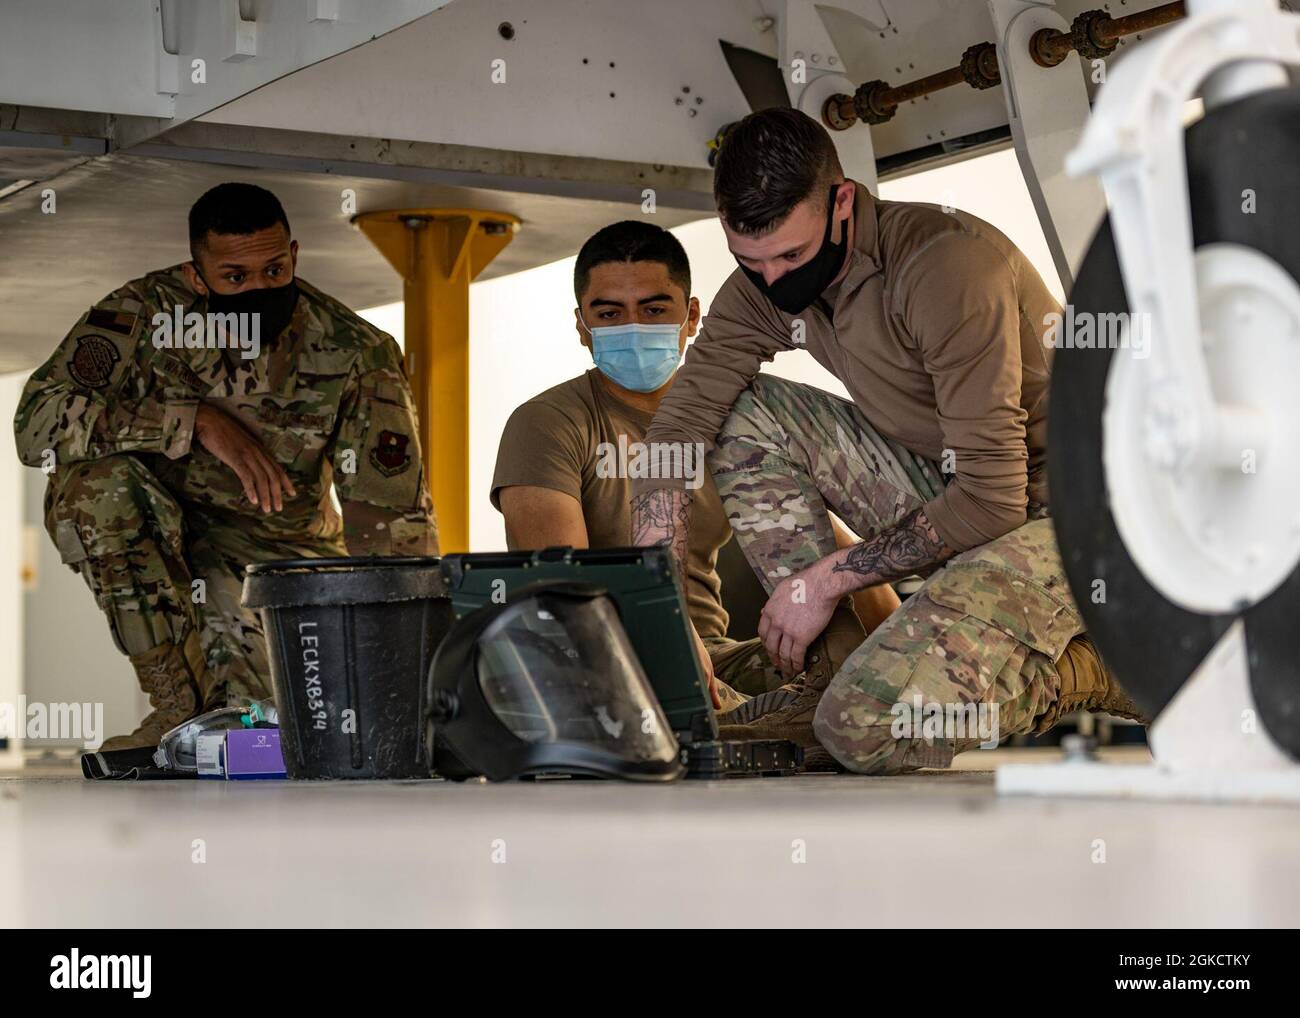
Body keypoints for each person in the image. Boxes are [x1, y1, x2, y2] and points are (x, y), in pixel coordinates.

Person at [629, 108, 1145, 774]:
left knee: (862, 728)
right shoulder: (766, 283)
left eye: (792, 255)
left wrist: (824, 582)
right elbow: (677, 433)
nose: (776, 280)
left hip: (1090, 522)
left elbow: (991, 502)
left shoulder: (946, 266)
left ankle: (1094, 669)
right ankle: (823, 673)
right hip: (969, 498)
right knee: (740, 413)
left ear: (843, 202)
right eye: (751, 261)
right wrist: (662, 614)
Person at [14, 182, 437, 750]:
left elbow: (393, 524)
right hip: (164, 527)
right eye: (235, 278)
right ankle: (172, 701)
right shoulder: (146, 316)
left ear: (294, 257)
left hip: (280, 554)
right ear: (197, 276)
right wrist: (193, 422)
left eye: (273, 271)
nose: (258, 288)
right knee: (92, 488)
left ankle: (219, 710)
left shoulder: (354, 350)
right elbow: (35, 426)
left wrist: (406, 677)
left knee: (252, 725)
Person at [491, 220, 898, 713]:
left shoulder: (739, 420)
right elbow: (560, 592)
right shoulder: (548, 423)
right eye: (610, 312)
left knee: (851, 676)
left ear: (691, 316)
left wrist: (897, 664)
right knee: (771, 718)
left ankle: (792, 723)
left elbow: (833, 552)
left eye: (653, 308)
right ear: (582, 325)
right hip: (608, 659)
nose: (633, 326)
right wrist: (662, 627)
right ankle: (763, 729)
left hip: (715, 656)